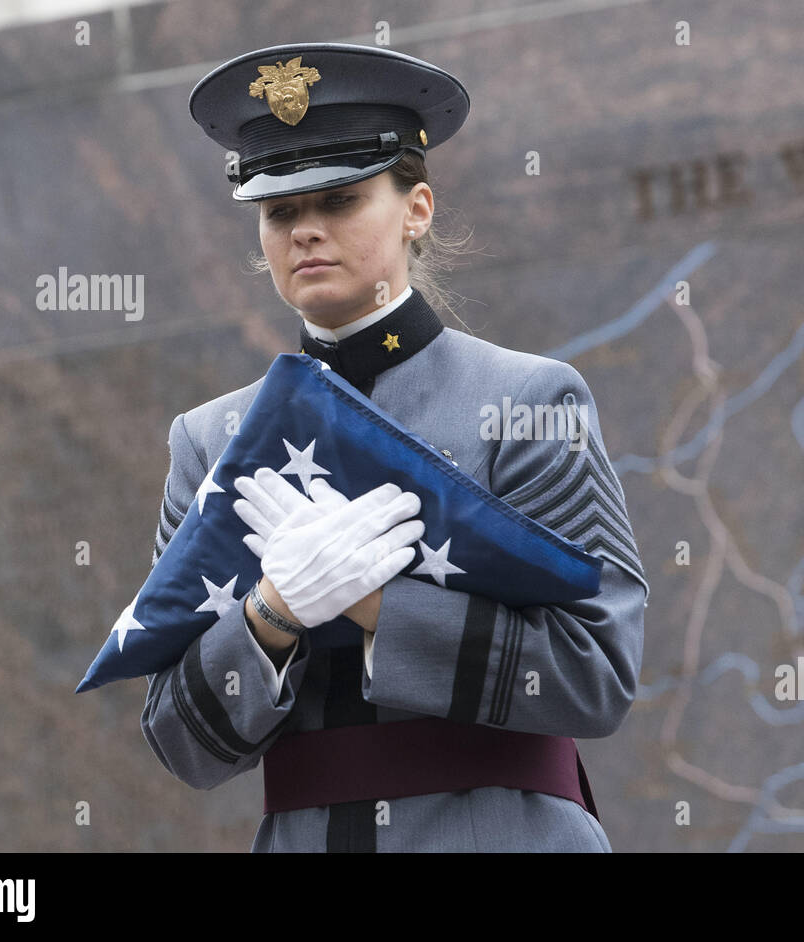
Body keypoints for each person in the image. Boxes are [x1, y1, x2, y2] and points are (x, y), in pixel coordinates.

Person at [140, 42, 650, 852]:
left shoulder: (527, 402)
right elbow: (179, 739)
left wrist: (375, 602)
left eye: (340, 200)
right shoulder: (209, 442)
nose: (305, 230)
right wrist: (274, 613)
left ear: (417, 209)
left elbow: (598, 675)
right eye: (279, 213)